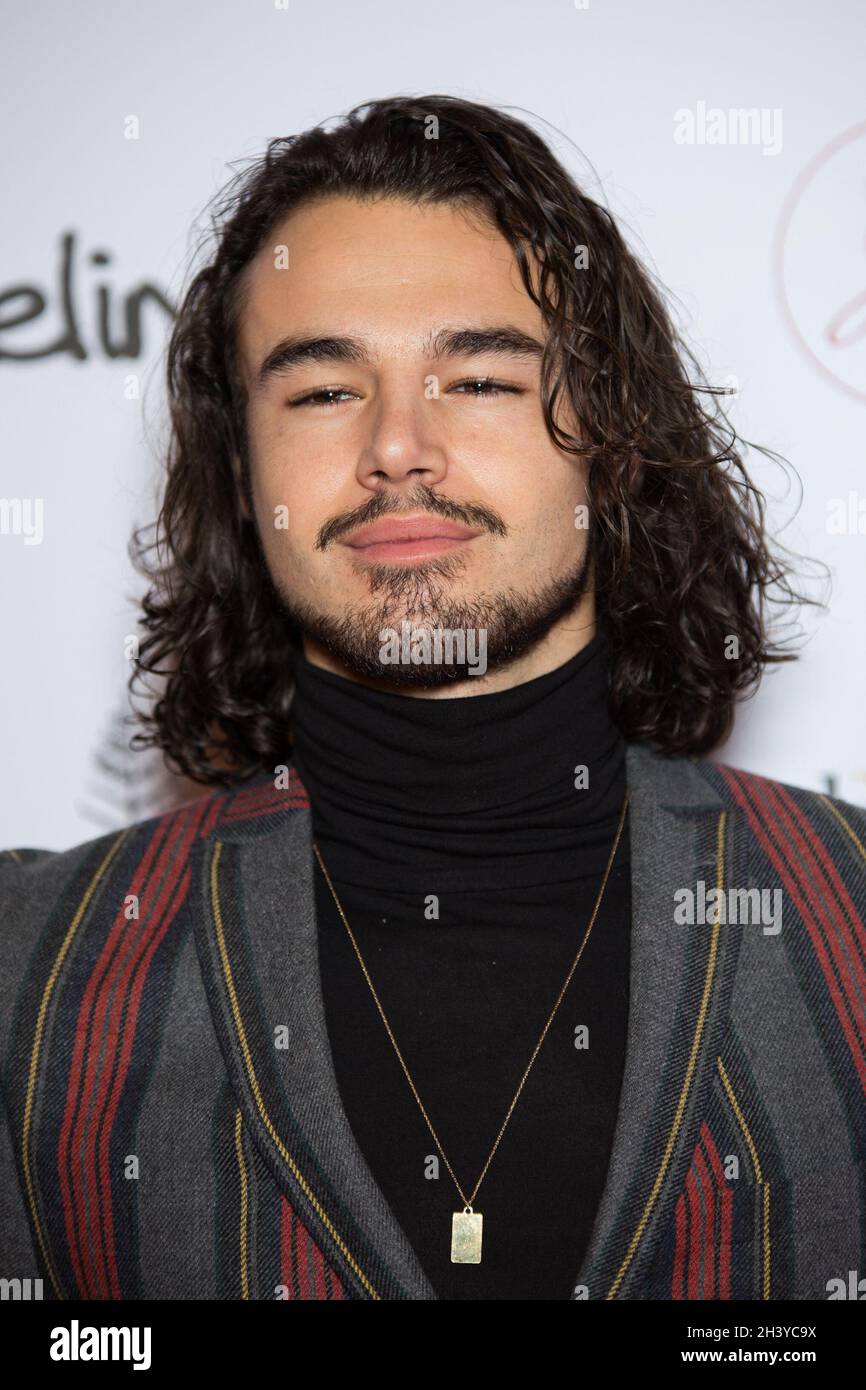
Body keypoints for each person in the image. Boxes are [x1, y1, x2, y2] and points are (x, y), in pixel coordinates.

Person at [2, 95, 864, 1303]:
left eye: (476, 379)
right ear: (240, 478)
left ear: (607, 441)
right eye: (320, 392)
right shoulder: (29, 970)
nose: (398, 446)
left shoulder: (848, 912)